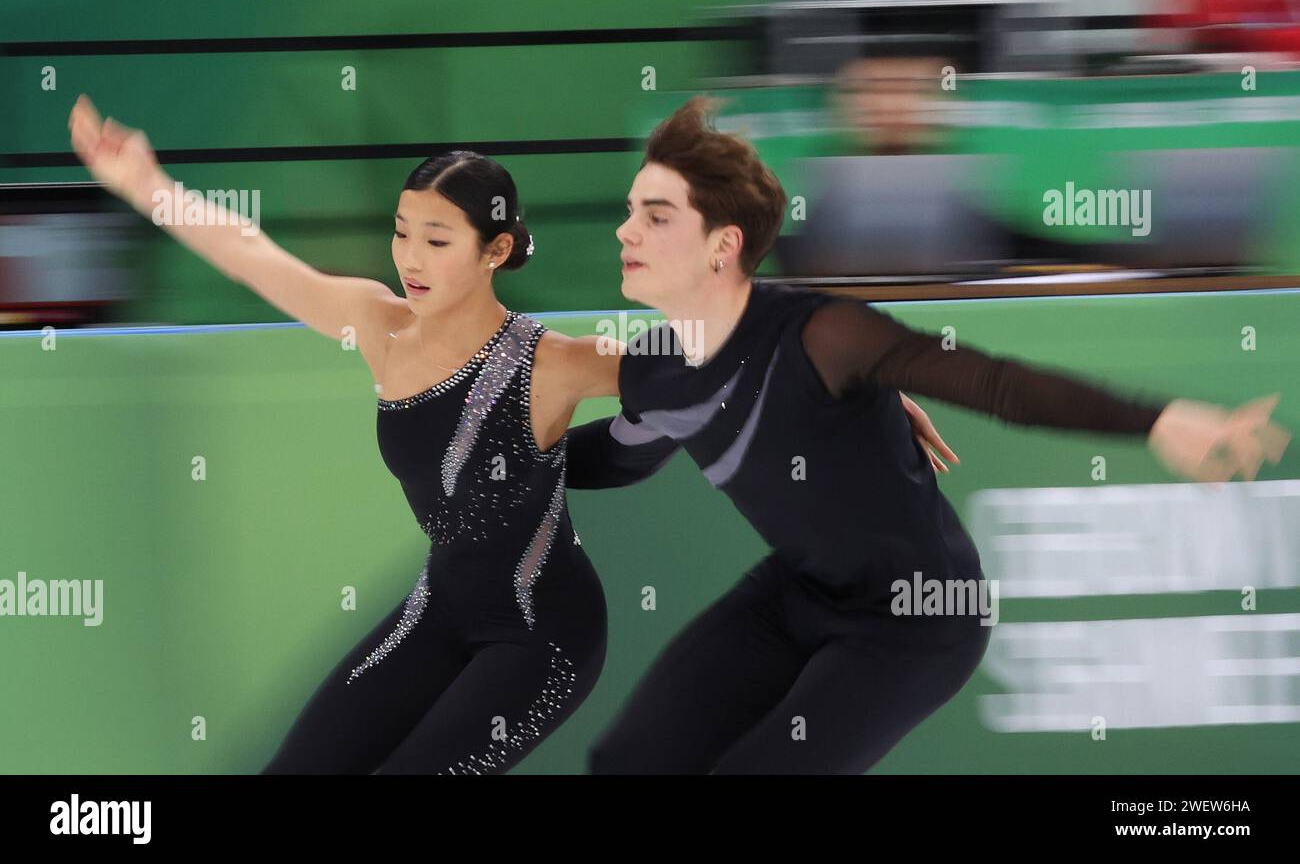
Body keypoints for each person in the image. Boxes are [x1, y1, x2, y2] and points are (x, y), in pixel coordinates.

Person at [564, 95, 1292, 774]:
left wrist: (1158, 419)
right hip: (799, 592)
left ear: (722, 244)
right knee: (629, 763)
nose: (626, 230)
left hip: (917, 621)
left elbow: (997, 384)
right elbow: (617, 459)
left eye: (656, 216)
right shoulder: (657, 369)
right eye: (631, 210)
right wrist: (494, 461)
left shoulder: (825, 333)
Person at [66, 95, 621, 774]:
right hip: (440, 610)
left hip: (544, 636)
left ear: (495, 250)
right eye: (402, 231)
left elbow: (692, 359)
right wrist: (146, 185)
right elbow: (253, 257)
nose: (410, 258)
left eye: (438, 241)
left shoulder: (549, 365)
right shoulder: (379, 325)